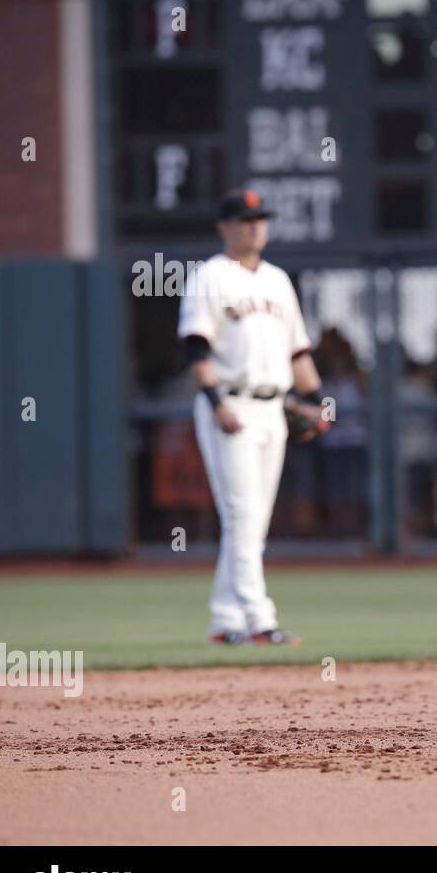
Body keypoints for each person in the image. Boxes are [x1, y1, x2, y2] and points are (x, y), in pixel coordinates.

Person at [177, 188, 328, 645]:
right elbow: (195, 346)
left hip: (274, 408)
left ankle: (225, 619)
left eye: (259, 218)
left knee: (253, 520)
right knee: (243, 514)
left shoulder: (279, 280)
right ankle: (260, 619)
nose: (254, 226)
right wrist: (214, 401)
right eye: (244, 219)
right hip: (231, 406)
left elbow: (298, 351)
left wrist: (319, 401)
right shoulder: (210, 276)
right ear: (224, 226)